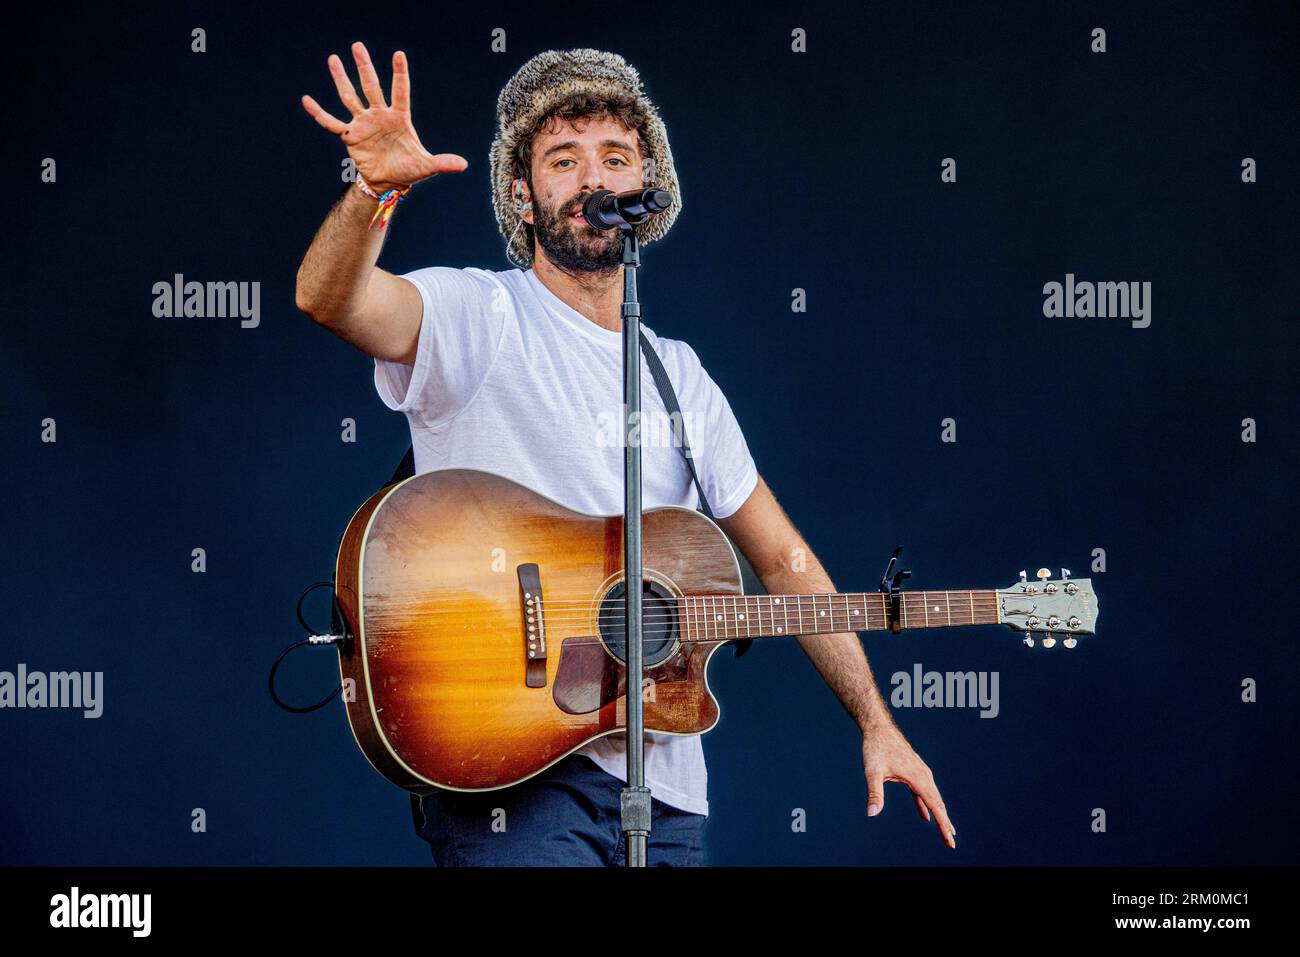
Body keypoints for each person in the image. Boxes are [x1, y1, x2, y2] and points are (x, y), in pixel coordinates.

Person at [295, 43, 956, 865]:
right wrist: (375, 190)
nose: (594, 179)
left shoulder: (678, 376)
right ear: (523, 197)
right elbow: (329, 298)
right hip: (510, 764)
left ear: (647, 189)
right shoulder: (480, 315)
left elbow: (784, 559)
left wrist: (878, 724)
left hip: (670, 796)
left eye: (616, 158)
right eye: (562, 160)